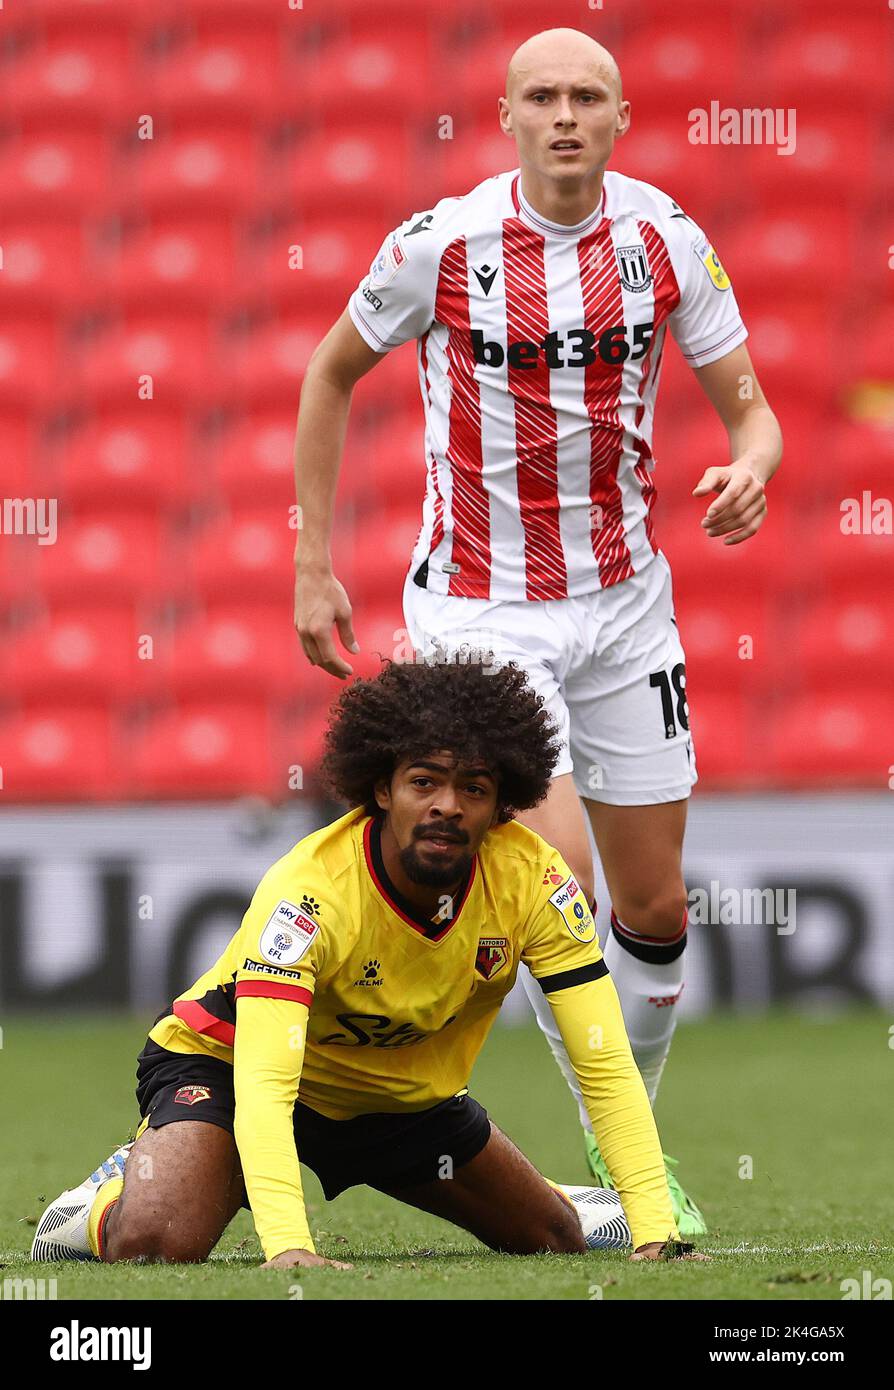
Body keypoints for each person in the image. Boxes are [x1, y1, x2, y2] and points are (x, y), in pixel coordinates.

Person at [292, 27, 783, 1233]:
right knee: (559, 877)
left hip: (628, 607)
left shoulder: (666, 240)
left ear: (621, 118)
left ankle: (623, 1139)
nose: (566, 115)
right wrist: (311, 561)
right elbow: (329, 373)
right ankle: (639, 1166)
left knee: (655, 911)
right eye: (544, 97)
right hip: (480, 605)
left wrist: (753, 469)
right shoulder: (443, 245)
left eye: (588, 96)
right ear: (507, 116)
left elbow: (754, 414)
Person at [32, 660, 699, 1268]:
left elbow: (605, 1063)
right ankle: (103, 1197)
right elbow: (265, 1082)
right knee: (156, 1241)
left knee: (554, 1239)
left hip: (402, 1103)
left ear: (501, 805)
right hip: (231, 1071)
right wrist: (290, 1247)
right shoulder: (309, 894)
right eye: (424, 782)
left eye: (472, 788)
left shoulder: (535, 883)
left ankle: (563, 1199)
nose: (447, 805)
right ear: (382, 789)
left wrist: (654, 1231)